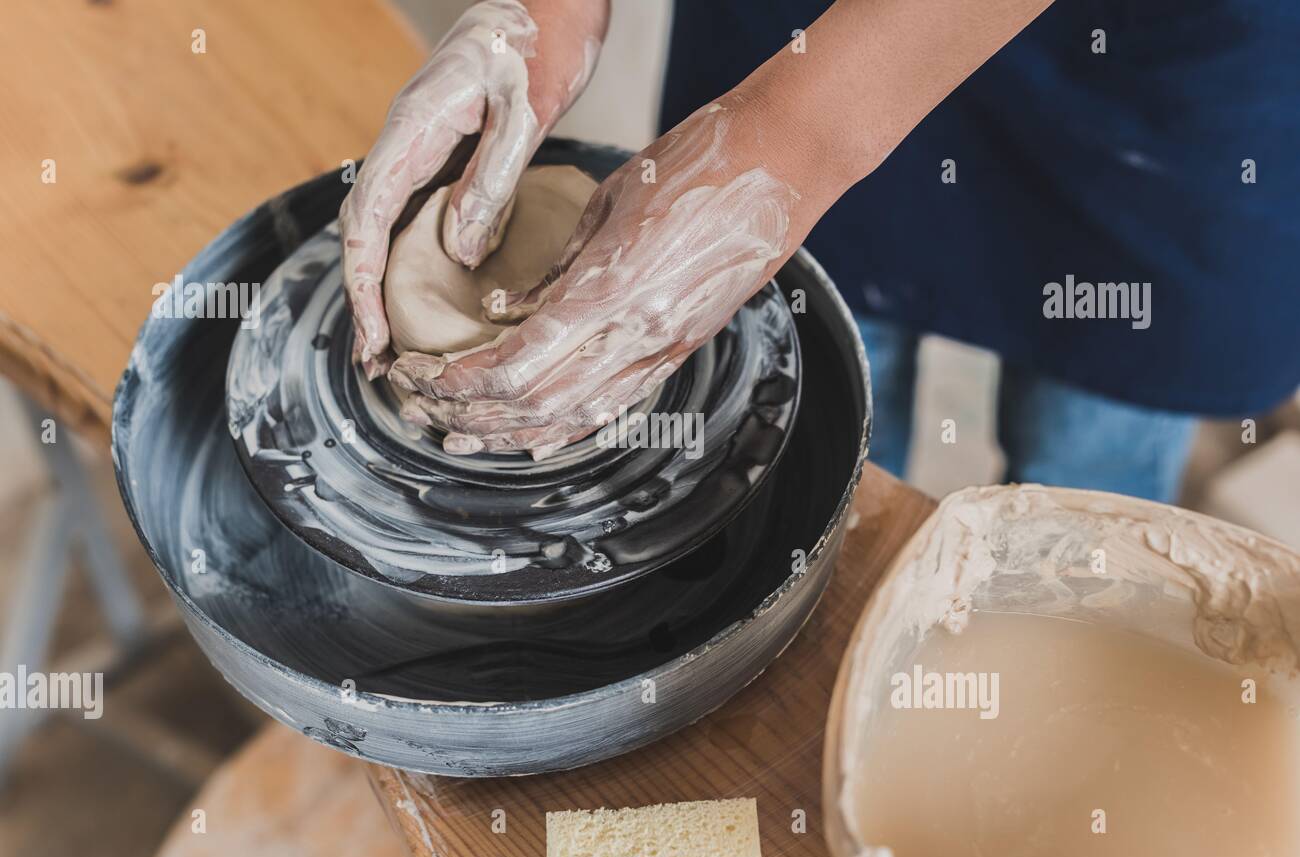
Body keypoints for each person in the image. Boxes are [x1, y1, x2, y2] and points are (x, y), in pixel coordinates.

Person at [341, 0, 1300, 501]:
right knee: (804, 440)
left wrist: (793, 145)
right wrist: (541, 12)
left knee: (1083, 504)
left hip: (1154, 78)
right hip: (796, 29)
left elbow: (797, 136)